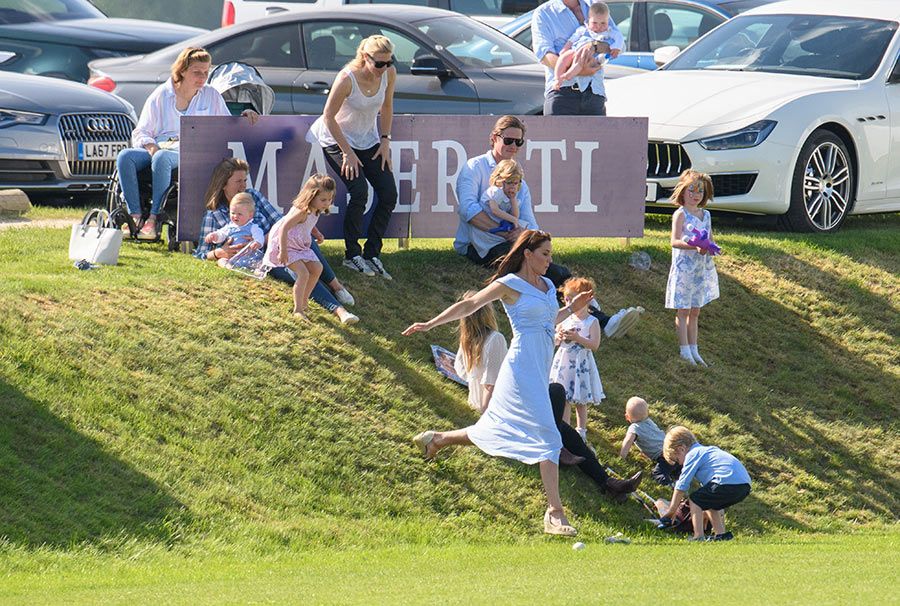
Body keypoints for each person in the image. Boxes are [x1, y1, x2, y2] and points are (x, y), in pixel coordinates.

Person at [403, 230, 596, 536]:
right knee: (548, 434)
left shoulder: (547, 285)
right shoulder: (509, 285)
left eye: (550, 254)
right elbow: (470, 306)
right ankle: (555, 514)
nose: (549, 260)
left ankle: (436, 439)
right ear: (527, 254)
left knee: (496, 427)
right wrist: (431, 323)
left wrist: (572, 309)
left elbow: (547, 321)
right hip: (520, 367)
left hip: (539, 363)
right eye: (544, 254)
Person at [453, 115, 643, 339]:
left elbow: (530, 222)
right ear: (494, 138)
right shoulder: (474, 167)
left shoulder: (516, 174)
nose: (513, 146)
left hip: (511, 243)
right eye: (508, 140)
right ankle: (600, 321)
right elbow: (468, 211)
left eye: (519, 142)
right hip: (479, 246)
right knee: (546, 270)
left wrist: (525, 237)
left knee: (555, 269)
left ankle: (597, 320)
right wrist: (505, 232)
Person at [117, 47, 259, 240]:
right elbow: (141, 131)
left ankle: (153, 217)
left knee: (161, 157)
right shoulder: (162, 95)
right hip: (161, 147)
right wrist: (151, 147)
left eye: (205, 73)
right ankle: (134, 215)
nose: (202, 77)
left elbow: (226, 124)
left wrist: (243, 117)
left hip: (192, 150)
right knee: (126, 156)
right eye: (196, 72)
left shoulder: (211, 95)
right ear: (182, 70)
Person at [195, 157, 359, 325]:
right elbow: (200, 253)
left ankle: (336, 286)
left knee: (306, 242)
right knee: (299, 273)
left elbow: (280, 220)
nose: (243, 185)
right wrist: (217, 253)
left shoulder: (253, 196)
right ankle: (338, 309)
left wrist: (264, 239)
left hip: (277, 241)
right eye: (238, 181)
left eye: (245, 180)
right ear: (224, 184)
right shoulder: (214, 214)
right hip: (260, 259)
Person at [306, 35, 398, 280]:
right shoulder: (348, 78)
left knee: (389, 194)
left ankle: (372, 254)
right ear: (365, 58)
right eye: (379, 63)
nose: (384, 68)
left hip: (367, 139)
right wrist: (347, 152)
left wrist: (386, 139)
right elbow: (328, 116)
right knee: (359, 191)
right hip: (335, 137)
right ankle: (351, 255)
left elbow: (387, 106)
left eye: (389, 62)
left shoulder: (389, 73)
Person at [658, 426, 751, 541]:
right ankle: (721, 534)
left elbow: (682, 485)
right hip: (744, 485)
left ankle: (698, 536)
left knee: (694, 500)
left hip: (726, 481)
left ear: (681, 449)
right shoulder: (708, 451)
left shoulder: (693, 454)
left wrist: (671, 511)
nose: (680, 464)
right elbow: (709, 490)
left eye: (677, 460)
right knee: (709, 502)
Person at [665, 169, 719, 366]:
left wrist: (712, 248)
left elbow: (710, 238)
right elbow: (674, 241)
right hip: (684, 268)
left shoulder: (706, 215)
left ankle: (694, 349)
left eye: (700, 192)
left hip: (700, 269)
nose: (696, 196)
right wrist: (694, 246)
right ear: (683, 191)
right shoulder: (680, 214)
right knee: (683, 310)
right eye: (692, 191)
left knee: (695, 310)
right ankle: (684, 349)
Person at [264, 175, 336, 321]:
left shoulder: (315, 209)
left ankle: (304, 300)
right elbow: (284, 227)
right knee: (303, 273)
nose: (327, 203)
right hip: (286, 245)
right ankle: (298, 310)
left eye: (330, 199)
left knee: (317, 268)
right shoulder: (302, 211)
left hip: (299, 245)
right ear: (311, 196)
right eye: (323, 200)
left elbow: (308, 224)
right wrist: (283, 251)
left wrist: (317, 233)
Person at [532, 0, 623, 116]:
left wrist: (594, 46)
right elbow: (544, 55)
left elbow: (619, 46)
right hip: (562, 92)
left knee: (598, 134)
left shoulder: (595, 5)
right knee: (556, 134)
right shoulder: (544, 13)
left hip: (594, 91)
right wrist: (578, 70)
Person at [549, 277, 604, 450]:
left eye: (571, 300)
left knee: (580, 400)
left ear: (586, 299)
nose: (567, 303)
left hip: (581, 363)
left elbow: (594, 345)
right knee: (563, 397)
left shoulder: (591, 321)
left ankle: (581, 432)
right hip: (564, 361)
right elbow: (555, 341)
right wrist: (558, 337)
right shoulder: (565, 318)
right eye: (566, 299)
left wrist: (578, 338)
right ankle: (565, 429)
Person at [452, 291, 508, 414]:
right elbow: (491, 383)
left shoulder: (467, 339)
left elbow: (461, 370)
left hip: (475, 402)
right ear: (488, 313)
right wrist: (485, 414)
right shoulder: (495, 339)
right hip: (493, 407)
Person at [553, 3, 623, 90]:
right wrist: (565, 49)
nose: (599, 26)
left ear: (608, 22)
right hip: (575, 50)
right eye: (595, 23)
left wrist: (616, 47)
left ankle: (569, 74)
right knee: (563, 58)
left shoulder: (608, 32)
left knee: (581, 60)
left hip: (590, 56)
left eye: (603, 23)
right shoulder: (582, 29)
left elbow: (619, 37)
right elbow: (571, 40)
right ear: (588, 20)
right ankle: (557, 78)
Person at [619, 396, 681, 487]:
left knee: (657, 473)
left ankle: (670, 484)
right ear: (647, 413)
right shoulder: (649, 421)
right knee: (675, 466)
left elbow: (628, 441)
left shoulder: (634, 428)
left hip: (664, 456)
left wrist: (622, 456)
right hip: (674, 449)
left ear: (627, 417)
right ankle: (679, 472)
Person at [203, 192, 265, 268]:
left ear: (250, 215)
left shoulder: (253, 227)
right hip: (233, 257)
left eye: (239, 214)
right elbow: (221, 234)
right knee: (221, 260)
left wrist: (257, 242)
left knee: (260, 263)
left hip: (250, 257)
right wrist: (214, 236)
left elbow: (259, 235)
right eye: (233, 213)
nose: (235, 216)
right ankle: (229, 266)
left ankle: (258, 270)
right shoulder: (229, 227)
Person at [481, 160, 523, 235]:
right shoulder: (495, 191)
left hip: (498, 226)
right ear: (500, 181)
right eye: (509, 182)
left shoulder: (511, 196)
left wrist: (512, 199)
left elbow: (515, 216)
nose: (512, 186)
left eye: (515, 183)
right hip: (485, 228)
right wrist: (514, 220)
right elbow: (495, 210)